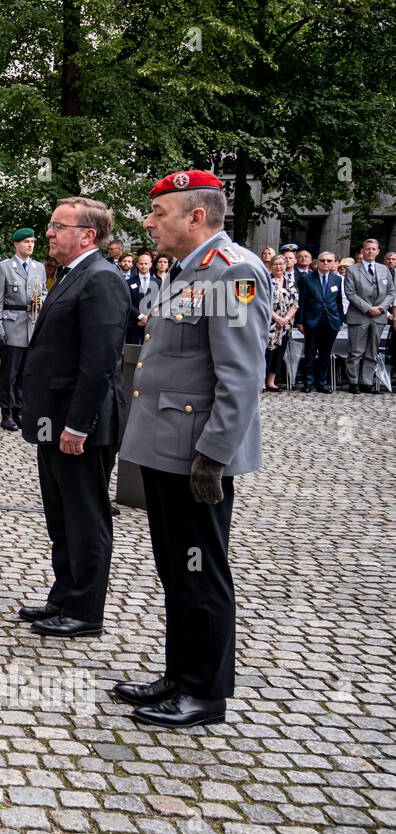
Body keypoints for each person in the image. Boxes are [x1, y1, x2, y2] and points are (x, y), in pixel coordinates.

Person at [114, 169, 268, 729]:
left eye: (158, 214)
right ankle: (179, 674)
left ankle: (204, 693)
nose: (149, 223)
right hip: (164, 447)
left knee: (200, 570)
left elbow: (241, 376)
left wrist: (214, 455)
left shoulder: (232, 273)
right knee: (176, 568)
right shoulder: (188, 272)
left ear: (195, 216)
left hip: (195, 454)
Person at [17, 197, 128, 639]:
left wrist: (77, 425)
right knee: (61, 517)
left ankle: (85, 611)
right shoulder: (72, 274)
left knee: (86, 519)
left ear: (87, 235)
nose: (49, 233)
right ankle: (63, 596)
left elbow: (99, 362)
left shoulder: (101, 278)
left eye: (58, 226)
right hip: (55, 420)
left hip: (82, 425)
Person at [0, 227, 42, 431]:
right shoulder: (5, 267)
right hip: (11, 325)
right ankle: (7, 412)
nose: (30, 245)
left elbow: (43, 292)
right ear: (16, 244)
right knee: (9, 374)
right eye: (26, 241)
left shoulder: (39, 267)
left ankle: (20, 410)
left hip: (31, 324)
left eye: (33, 241)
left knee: (25, 374)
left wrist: (41, 301)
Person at [343, 238, 394, 393]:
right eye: (367, 249)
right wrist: (367, 308)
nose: (370, 251)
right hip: (359, 316)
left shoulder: (384, 269)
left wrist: (381, 308)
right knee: (356, 351)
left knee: (373, 351)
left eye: (373, 249)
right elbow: (350, 293)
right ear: (362, 251)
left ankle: (367, 382)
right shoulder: (353, 270)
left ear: (378, 251)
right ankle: (353, 382)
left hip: (378, 316)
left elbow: (391, 292)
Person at [295, 250, 344, 392]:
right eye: (323, 260)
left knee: (325, 354)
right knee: (310, 353)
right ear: (317, 262)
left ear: (334, 262)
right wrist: (300, 322)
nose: (326, 263)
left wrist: (339, 319)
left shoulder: (337, 279)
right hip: (312, 321)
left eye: (329, 261)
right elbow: (301, 302)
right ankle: (308, 382)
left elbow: (338, 302)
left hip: (331, 321)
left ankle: (321, 382)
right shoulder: (307, 279)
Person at [264, 254, 297, 392]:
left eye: (281, 264)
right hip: (269, 323)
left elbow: (295, 304)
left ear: (285, 265)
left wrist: (285, 319)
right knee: (266, 353)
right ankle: (261, 381)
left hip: (285, 325)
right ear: (271, 266)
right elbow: (263, 303)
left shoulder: (290, 282)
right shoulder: (266, 281)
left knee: (279, 353)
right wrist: (277, 318)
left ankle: (271, 381)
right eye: (276, 264)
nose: (279, 266)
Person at [124, 250, 156, 346]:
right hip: (134, 323)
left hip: (151, 323)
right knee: (131, 352)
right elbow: (127, 302)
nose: (143, 266)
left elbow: (159, 303)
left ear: (150, 264)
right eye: (141, 263)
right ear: (137, 264)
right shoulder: (129, 282)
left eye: (146, 263)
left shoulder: (159, 283)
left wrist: (148, 318)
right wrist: (140, 316)